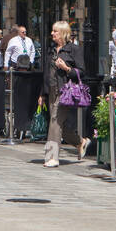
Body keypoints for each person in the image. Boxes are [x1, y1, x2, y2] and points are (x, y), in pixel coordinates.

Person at [42, 20, 88, 168]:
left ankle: (52, 157)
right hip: (52, 91)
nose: (52, 34)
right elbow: (46, 73)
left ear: (62, 33)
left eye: (55, 31)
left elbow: (81, 72)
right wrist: (42, 93)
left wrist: (67, 68)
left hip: (65, 91)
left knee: (55, 121)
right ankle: (80, 141)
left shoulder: (73, 50)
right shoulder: (51, 49)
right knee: (58, 123)